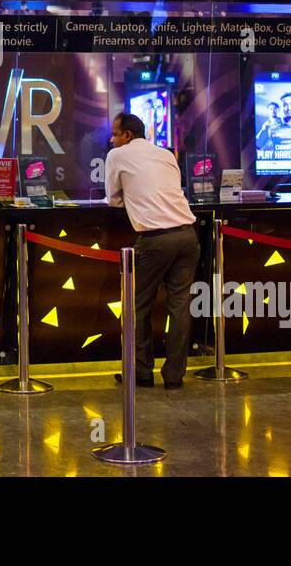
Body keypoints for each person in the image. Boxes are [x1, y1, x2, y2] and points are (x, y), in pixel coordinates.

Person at [104, 111, 199, 388]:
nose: (112, 140)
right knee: (180, 308)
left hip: (155, 239)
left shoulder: (117, 156)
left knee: (137, 306)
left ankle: (141, 373)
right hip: (187, 236)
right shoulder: (167, 154)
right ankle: (174, 377)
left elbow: (113, 199)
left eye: (115, 134)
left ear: (127, 136)